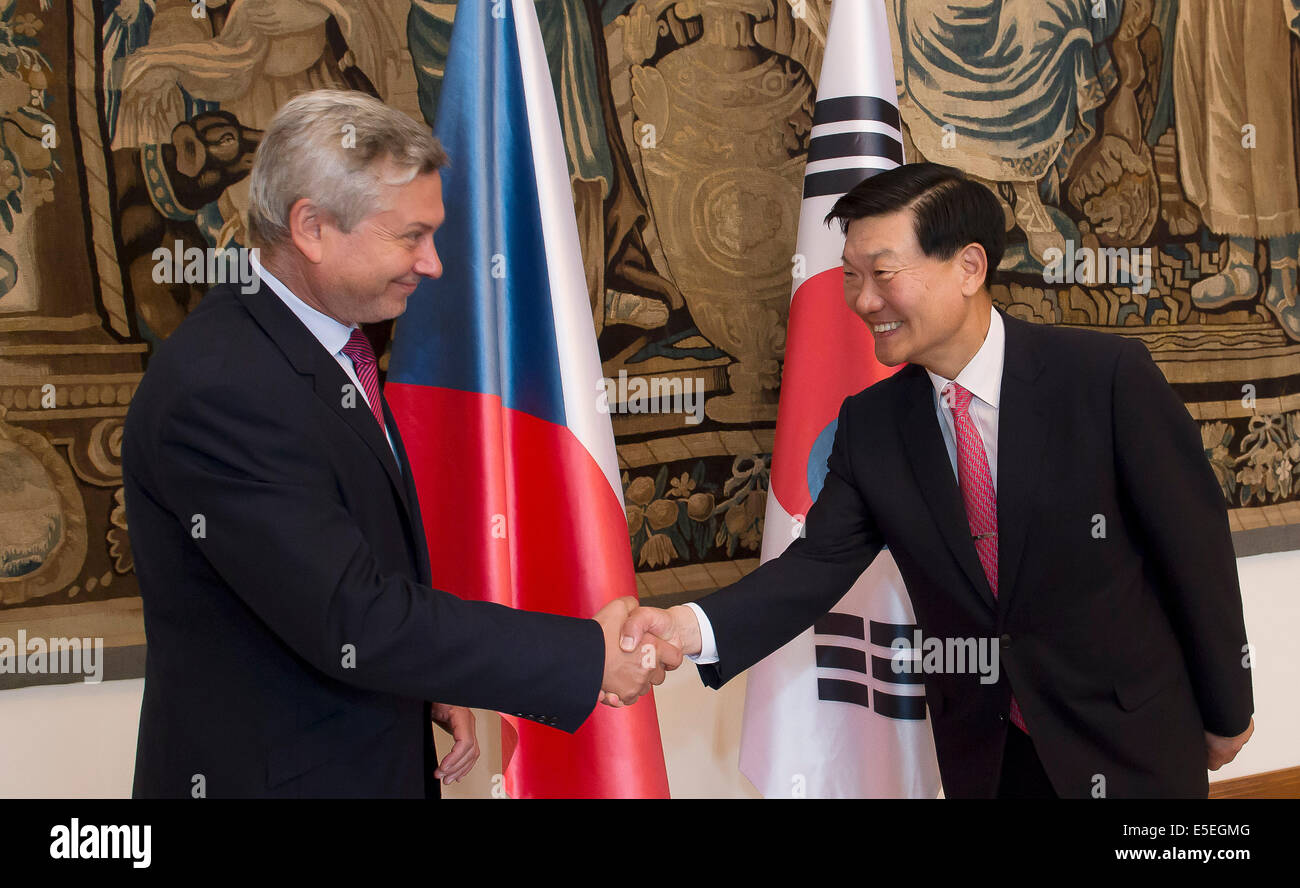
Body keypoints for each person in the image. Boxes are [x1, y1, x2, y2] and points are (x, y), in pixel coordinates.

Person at [620, 162, 1255, 798]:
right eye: (851, 277)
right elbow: (815, 565)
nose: (865, 301)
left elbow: (1194, 550)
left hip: (1130, 742)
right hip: (991, 753)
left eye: (884, 274)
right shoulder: (873, 424)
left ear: (970, 267)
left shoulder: (1103, 378)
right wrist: (687, 628)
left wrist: (1227, 707)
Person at [123, 90, 679, 799]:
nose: (434, 263)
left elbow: (346, 570)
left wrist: (430, 685)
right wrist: (584, 655)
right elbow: (351, 615)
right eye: (410, 236)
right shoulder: (223, 386)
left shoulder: (322, 346)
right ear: (312, 227)